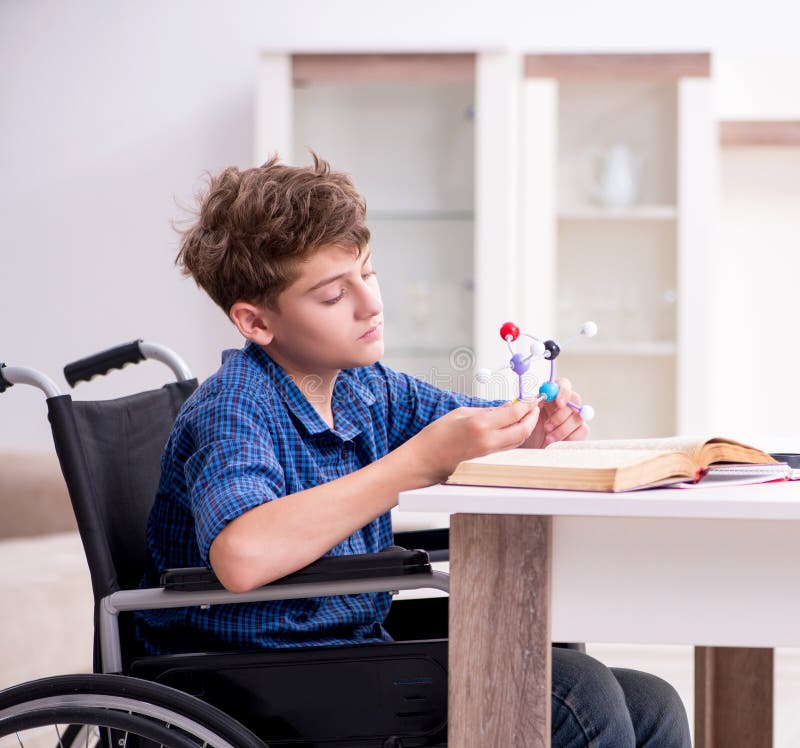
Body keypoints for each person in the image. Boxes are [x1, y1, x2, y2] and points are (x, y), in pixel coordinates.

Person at [136, 154, 691, 747]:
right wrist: (416, 464)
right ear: (256, 322)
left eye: (367, 274)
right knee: (575, 693)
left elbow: (468, 430)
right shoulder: (234, 406)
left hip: (349, 656)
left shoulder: (365, 387)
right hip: (248, 682)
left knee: (651, 701)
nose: (370, 303)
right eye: (332, 296)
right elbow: (242, 554)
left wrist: (530, 431)